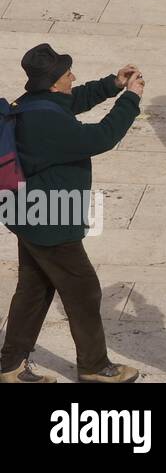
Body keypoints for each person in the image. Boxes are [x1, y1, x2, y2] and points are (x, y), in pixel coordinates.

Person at [1, 45, 143, 384]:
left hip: (28, 213)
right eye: (67, 75)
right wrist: (130, 100)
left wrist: (112, 84)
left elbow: (70, 101)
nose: (73, 78)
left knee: (35, 288)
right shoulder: (45, 124)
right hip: (49, 219)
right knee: (83, 289)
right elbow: (102, 136)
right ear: (52, 83)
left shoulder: (31, 104)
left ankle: (9, 365)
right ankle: (94, 366)